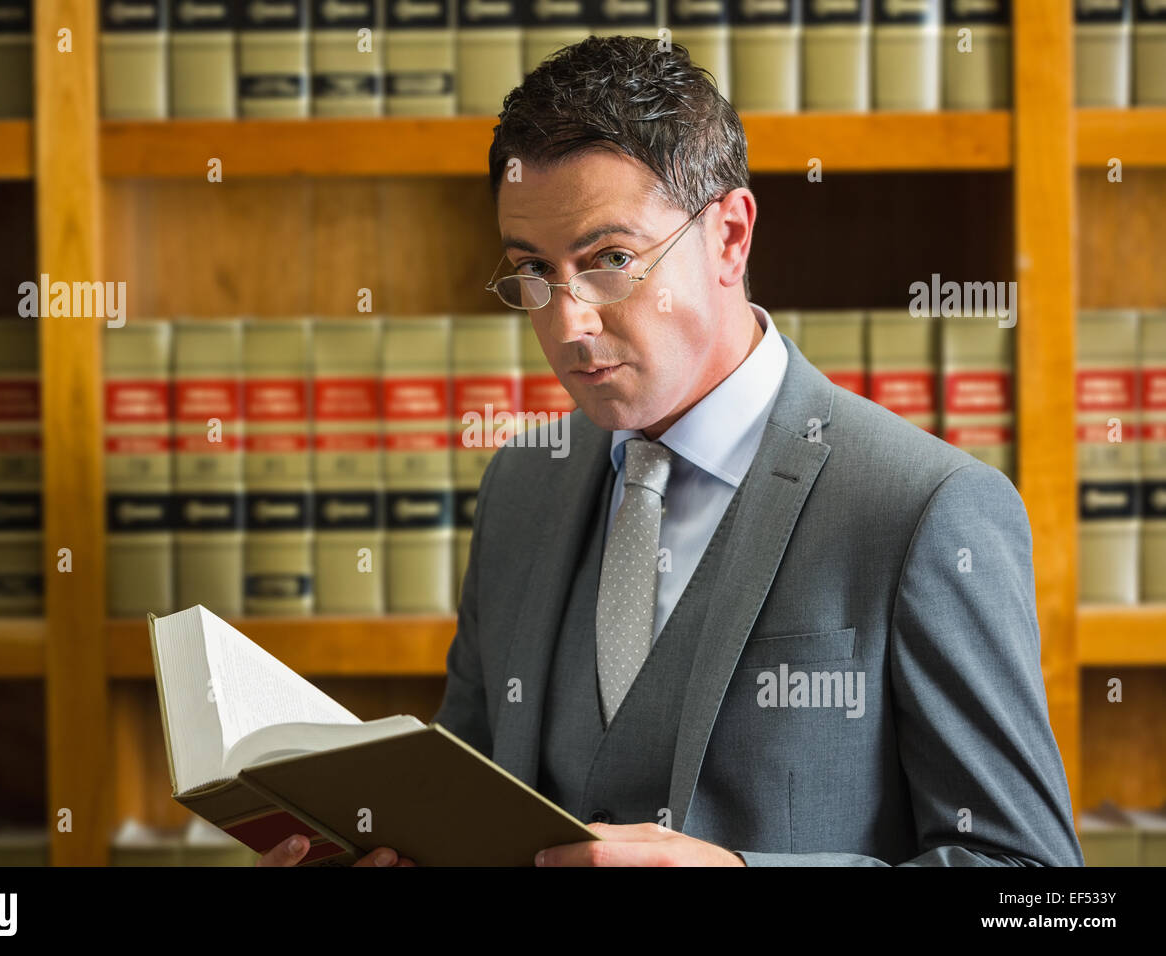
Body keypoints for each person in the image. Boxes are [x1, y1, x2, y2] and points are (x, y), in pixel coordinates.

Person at [261, 34, 1083, 868]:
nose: (566, 322)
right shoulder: (520, 485)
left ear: (730, 236)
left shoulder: (926, 508)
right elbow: (469, 816)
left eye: (611, 260)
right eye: (533, 272)